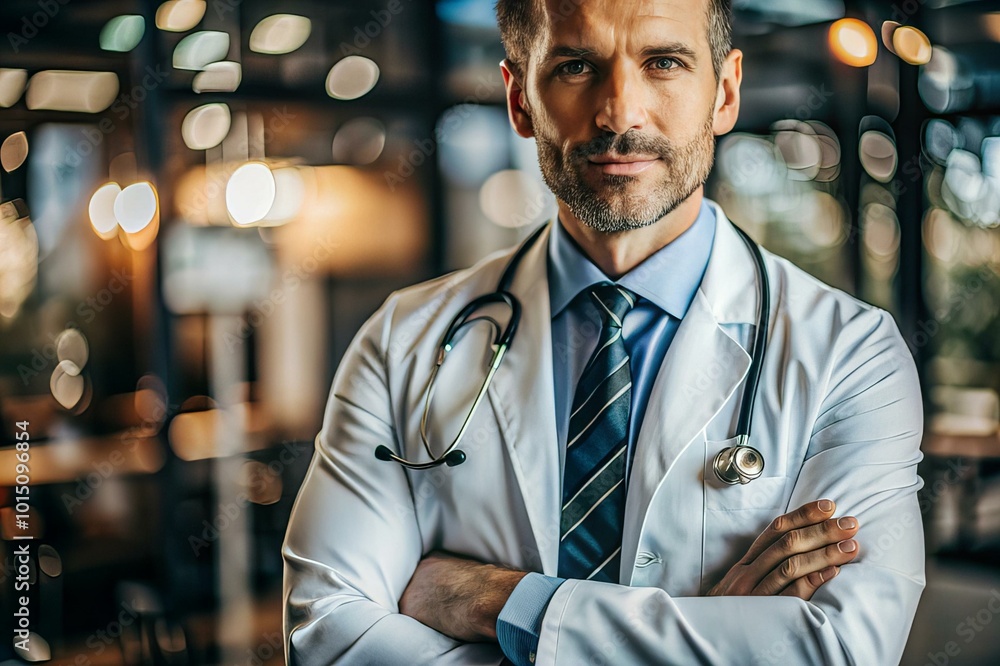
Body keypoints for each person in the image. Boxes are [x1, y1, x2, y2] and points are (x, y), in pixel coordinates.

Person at [282, 0, 925, 663]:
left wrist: (498, 601)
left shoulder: (851, 353)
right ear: (519, 100)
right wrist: (713, 631)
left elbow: (841, 650)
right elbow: (330, 637)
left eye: (665, 62)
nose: (619, 111)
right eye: (575, 66)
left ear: (726, 93)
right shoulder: (403, 340)